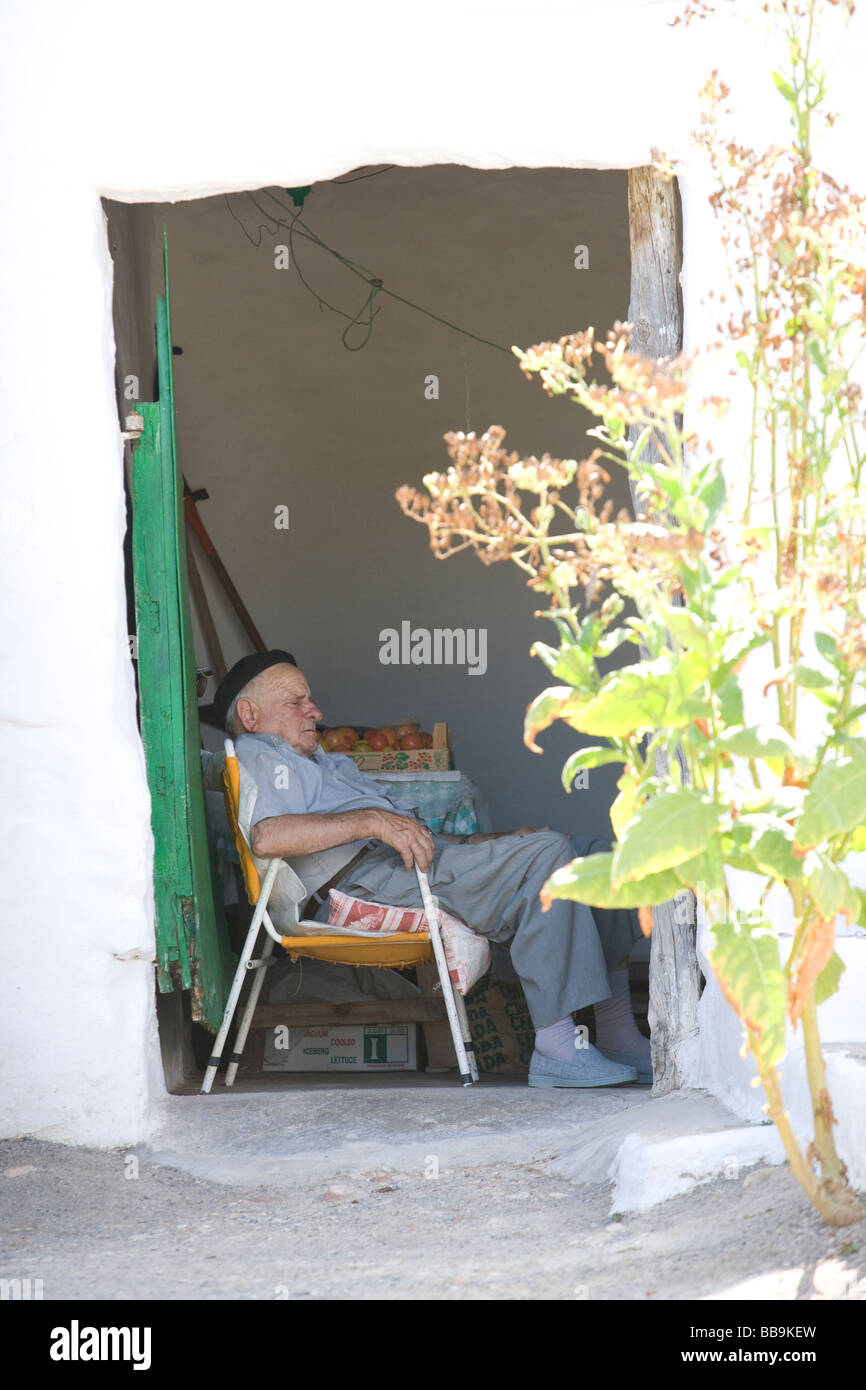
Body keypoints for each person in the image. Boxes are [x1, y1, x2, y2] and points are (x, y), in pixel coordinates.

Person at [212, 652, 652, 1087]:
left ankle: (616, 1034)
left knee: (589, 855)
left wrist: (491, 842)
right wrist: (371, 820)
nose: (317, 711)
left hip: (402, 869)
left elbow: (423, 840)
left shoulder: (323, 762)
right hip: (359, 885)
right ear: (250, 714)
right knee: (548, 854)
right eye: (297, 701)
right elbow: (268, 837)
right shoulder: (260, 754)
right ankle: (557, 1048)